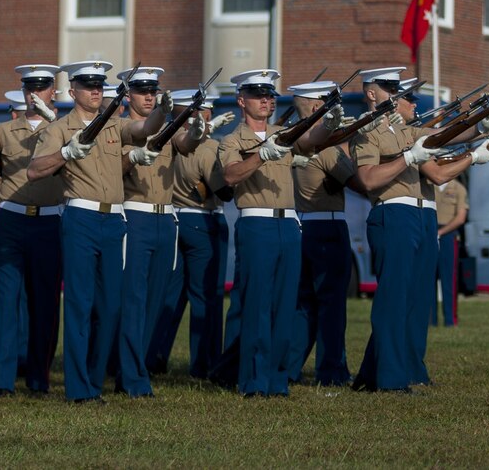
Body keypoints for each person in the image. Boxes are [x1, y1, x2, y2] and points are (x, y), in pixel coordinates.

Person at [349, 67, 489, 392]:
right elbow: (367, 179)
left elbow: (443, 135)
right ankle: (391, 379)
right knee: (394, 299)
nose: (397, 94)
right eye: (390, 87)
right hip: (393, 215)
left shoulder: (404, 130)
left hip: (423, 217)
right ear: (371, 93)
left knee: (418, 300)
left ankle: (407, 369)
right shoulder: (367, 131)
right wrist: (408, 158)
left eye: (399, 89)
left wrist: (482, 127)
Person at [28, 60, 164, 403]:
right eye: (88, 86)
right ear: (73, 91)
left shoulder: (114, 125)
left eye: (99, 85)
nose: (95, 91)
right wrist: (65, 152)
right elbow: (34, 171)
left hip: (115, 221)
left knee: (111, 307)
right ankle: (78, 388)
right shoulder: (59, 128)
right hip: (82, 218)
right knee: (79, 304)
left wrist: (164, 109)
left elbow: (147, 128)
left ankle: (93, 377)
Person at [217, 69, 339, 397]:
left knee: (286, 304)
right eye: (259, 95)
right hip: (257, 223)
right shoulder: (232, 140)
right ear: (242, 100)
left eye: (270, 95)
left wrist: (328, 121)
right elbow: (229, 175)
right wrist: (261, 155)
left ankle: (277, 379)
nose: (267, 101)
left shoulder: (284, 133)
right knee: (257, 304)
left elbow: (310, 141)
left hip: (289, 223)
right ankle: (254, 381)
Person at [114, 66, 206, 398]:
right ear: (128, 96)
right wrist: (136, 156)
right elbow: (119, 165)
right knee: (135, 301)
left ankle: (138, 366)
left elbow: (185, 143)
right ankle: (131, 375)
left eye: (153, 90)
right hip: (136, 217)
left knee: (154, 301)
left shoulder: (166, 126)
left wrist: (197, 127)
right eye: (142, 90)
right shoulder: (122, 129)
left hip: (165, 219)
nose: (149, 96)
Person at [0, 64, 64, 397]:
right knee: (5, 300)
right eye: (30, 87)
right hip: (12, 219)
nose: (35, 94)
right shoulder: (3, 131)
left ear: (52, 92)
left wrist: (54, 122)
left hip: (49, 219)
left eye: (42, 87)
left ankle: (38, 377)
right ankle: (1, 380)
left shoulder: (63, 129)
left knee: (44, 303)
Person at [147, 89, 234, 379]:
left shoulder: (168, 143)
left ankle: (155, 354)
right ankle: (204, 362)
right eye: (205, 110)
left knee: (171, 296)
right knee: (206, 296)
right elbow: (223, 190)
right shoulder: (208, 148)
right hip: (203, 221)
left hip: (176, 220)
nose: (207, 115)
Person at [286, 80, 357, 387]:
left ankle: (289, 366)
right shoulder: (326, 151)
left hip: (303, 225)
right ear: (317, 108)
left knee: (305, 305)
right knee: (331, 305)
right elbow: (360, 183)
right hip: (327, 226)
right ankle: (331, 370)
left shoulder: (293, 139)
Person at [432, 178, 468, 327]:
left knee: (449, 281)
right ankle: (429, 321)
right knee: (427, 280)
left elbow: (460, 218)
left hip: (448, 235)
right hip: (429, 233)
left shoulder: (458, 188)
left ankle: (450, 320)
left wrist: (440, 232)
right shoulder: (428, 185)